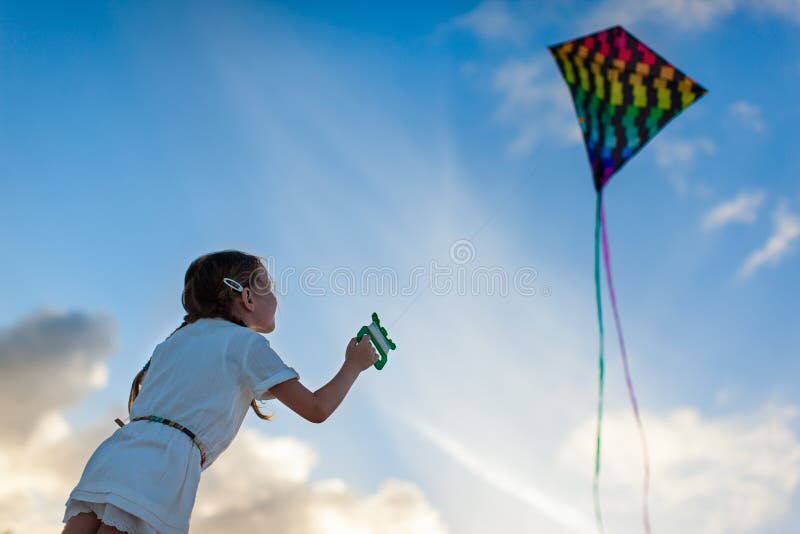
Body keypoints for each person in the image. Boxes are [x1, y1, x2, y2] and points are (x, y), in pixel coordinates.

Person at [62, 250, 378, 534]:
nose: (277, 299)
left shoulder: (174, 341)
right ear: (249, 298)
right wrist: (353, 365)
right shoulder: (246, 344)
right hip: (161, 466)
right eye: (270, 289)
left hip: (116, 451)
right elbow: (316, 408)